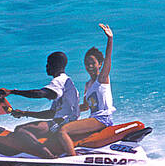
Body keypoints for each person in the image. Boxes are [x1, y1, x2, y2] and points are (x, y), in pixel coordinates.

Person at [48, 24, 116, 157]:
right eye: (87, 63)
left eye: (93, 63)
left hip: (103, 119)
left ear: (99, 64)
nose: (89, 66)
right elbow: (85, 106)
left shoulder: (102, 79)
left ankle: (72, 161)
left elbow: (108, 59)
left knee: (63, 131)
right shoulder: (88, 85)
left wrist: (110, 39)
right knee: (60, 130)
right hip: (94, 119)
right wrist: (63, 110)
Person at [0, 51, 80, 159]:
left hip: (62, 123)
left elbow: (40, 93)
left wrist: (13, 92)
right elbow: (51, 114)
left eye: (48, 63)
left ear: (56, 65)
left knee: (20, 130)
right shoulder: (65, 82)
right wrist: (24, 113)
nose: (46, 66)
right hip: (61, 121)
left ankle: (49, 157)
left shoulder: (59, 81)